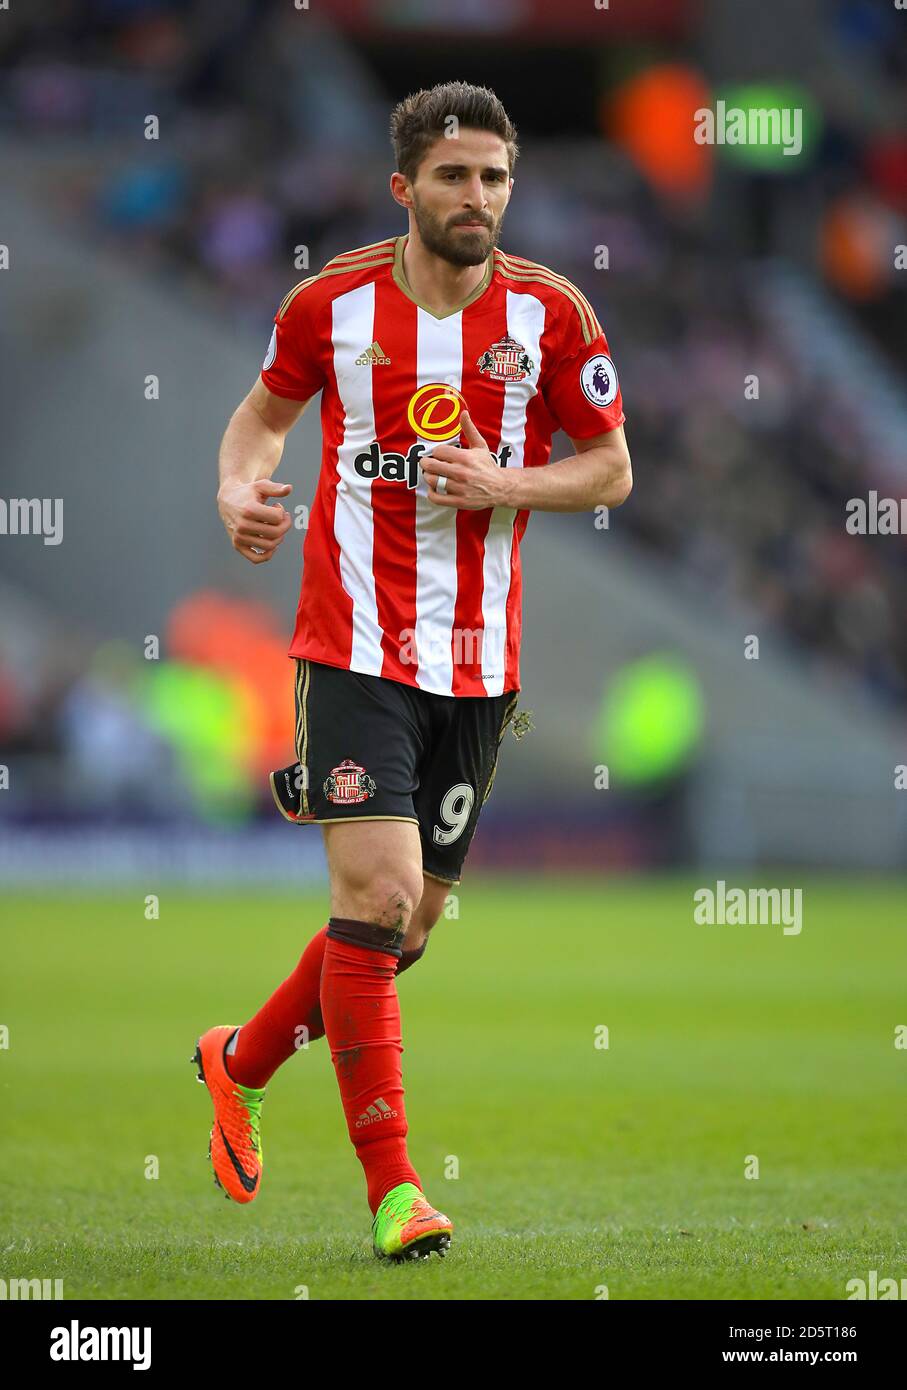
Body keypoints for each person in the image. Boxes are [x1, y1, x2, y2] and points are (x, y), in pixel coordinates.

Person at [194, 81, 632, 1262]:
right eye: (452, 175)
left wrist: (507, 484)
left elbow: (608, 469)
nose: (476, 196)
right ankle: (396, 1194)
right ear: (404, 189)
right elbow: (257, 424)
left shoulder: (551, 316)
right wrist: (239, 491)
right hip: (351, 649)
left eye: (493, 176)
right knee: (378, 898)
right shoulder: (329, 305)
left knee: (412, 925)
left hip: (480, 667)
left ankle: (236, 1061)